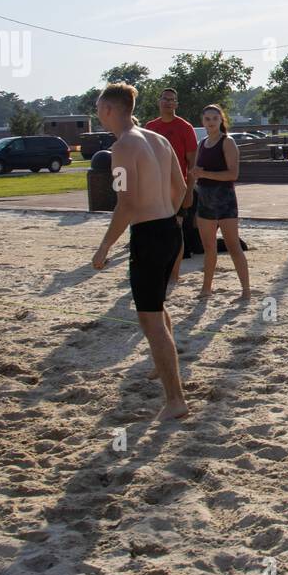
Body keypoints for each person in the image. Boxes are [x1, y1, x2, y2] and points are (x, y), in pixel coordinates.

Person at [91, 83, 188, 421]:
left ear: (108, 110)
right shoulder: (158, 139)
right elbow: (181, 187)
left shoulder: (122, 148)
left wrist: (104, 246)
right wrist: (168, 216)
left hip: (148, 235)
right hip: (169, 229)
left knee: (150, 322)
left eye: (98, 109)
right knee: (156, 307)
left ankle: (175, 400)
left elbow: (125, 205)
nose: (98, 115)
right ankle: (164, 370)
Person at [190, 104, 251, 304]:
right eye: (207, 119)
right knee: (209, 247)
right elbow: (197, 171)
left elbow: (233, 174)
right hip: (205, 199)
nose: (211, 122)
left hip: (225, 200)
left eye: (214, 118)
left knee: (233, 246)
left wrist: (204, 173)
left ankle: (245, 290)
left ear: (221, 120)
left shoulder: (228, 142)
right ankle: (206, 288)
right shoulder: (202, 143)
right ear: (203, 121)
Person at [143, 87, 198, 285]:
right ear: (159, 101)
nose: (168, 102)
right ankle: (158, 269)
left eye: (172, 100)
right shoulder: (150, 126)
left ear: (176, 104)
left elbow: (192, 163)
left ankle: (174, 273)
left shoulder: (185, 127)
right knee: (155, 230)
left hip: (179, 187)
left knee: (176, 229)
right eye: (165, 99)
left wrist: (190, 190)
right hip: (155, 187)